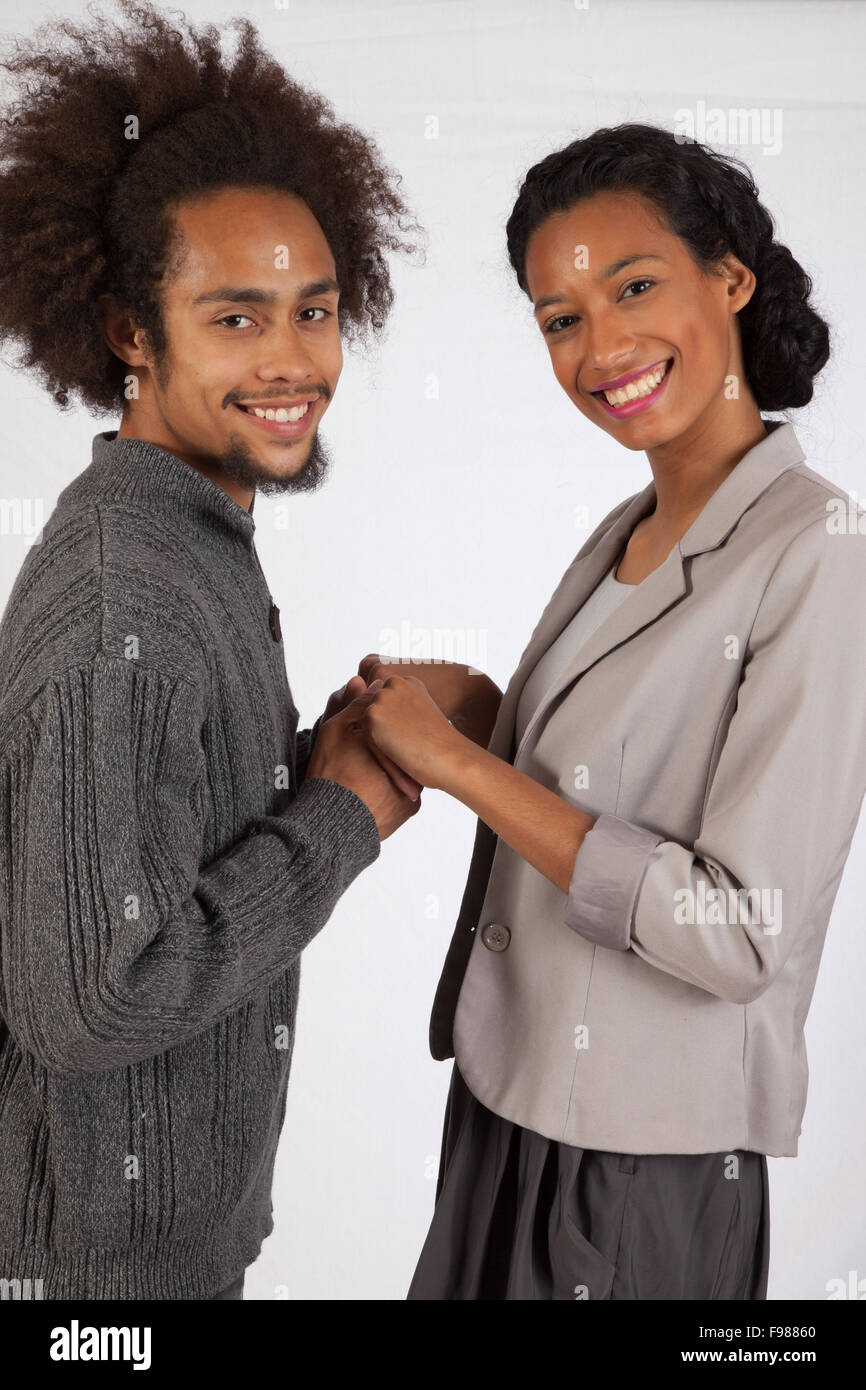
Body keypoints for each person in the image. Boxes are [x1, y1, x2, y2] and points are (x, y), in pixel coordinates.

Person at [0, 0, 470, 1302]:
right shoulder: (119, 595)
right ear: (128, 331)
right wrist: (342, 813)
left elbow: (153, 853)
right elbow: (98, 996)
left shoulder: (193, 538)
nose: (292, 361)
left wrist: (321, 753)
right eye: (235, 317)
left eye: (313, 311)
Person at [346, 123, 866, 1299]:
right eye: (559, 317)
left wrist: (467, 770)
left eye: (632, 285)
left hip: (634, 1167)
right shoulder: (628, 529)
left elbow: (737, 933)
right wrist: (475, 710)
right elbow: (608, 772)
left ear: (727, 276)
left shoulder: (821, 552)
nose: (600, 345)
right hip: (508, 1104)